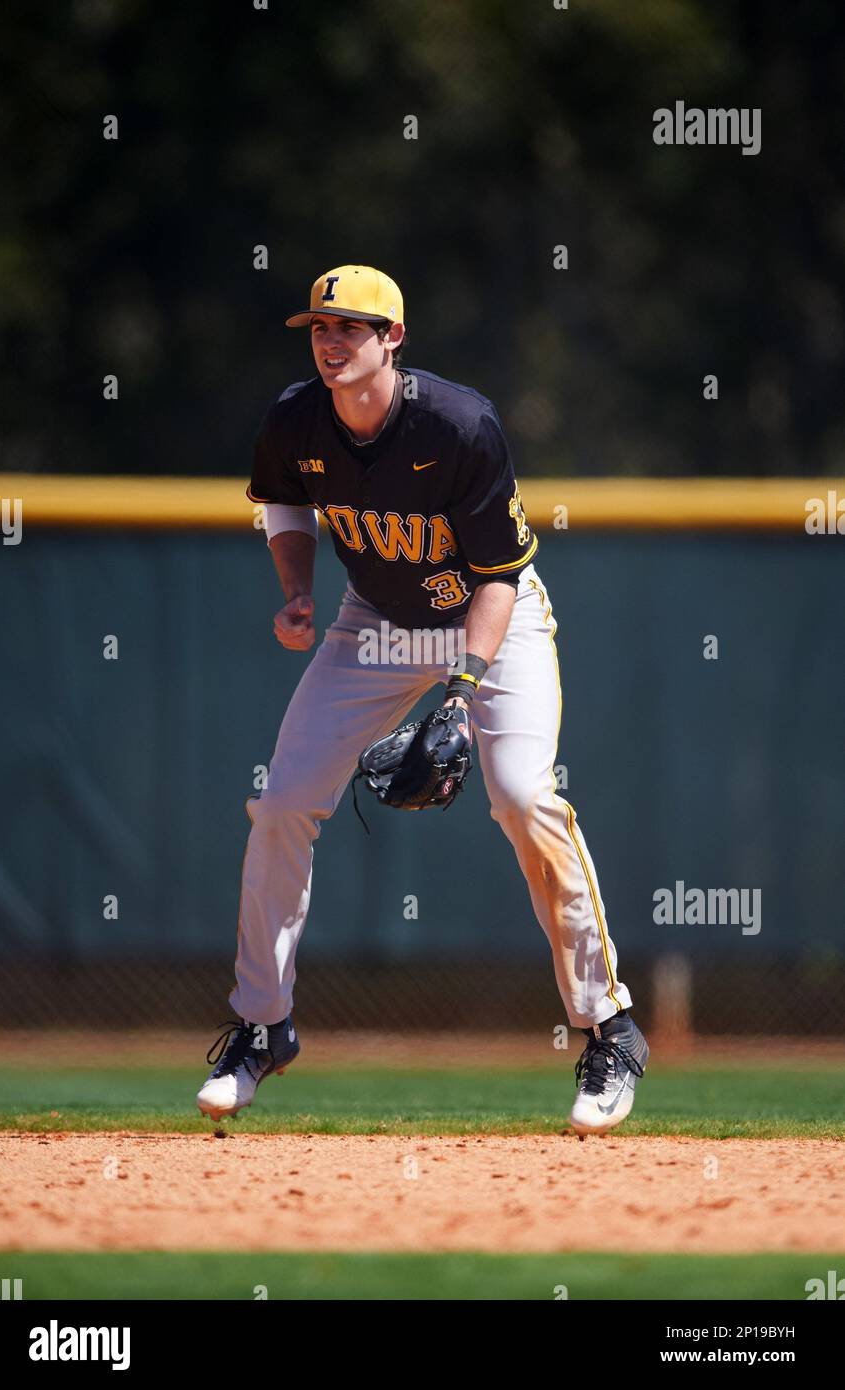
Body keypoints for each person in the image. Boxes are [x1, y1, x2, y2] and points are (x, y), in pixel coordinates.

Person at [196, 264, 648, 1135]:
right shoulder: (295, 418)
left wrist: (461, 690)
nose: (330, 343)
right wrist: (297, 588)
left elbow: (499, 579)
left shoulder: (457, 423)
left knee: (524, 799)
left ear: (392, 338)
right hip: (375, 622)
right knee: (283, 799)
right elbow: (284, 499)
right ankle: (261, 1027)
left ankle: (608, 1028)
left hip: (493, 622)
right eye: (320, 329)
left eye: (350, 329)